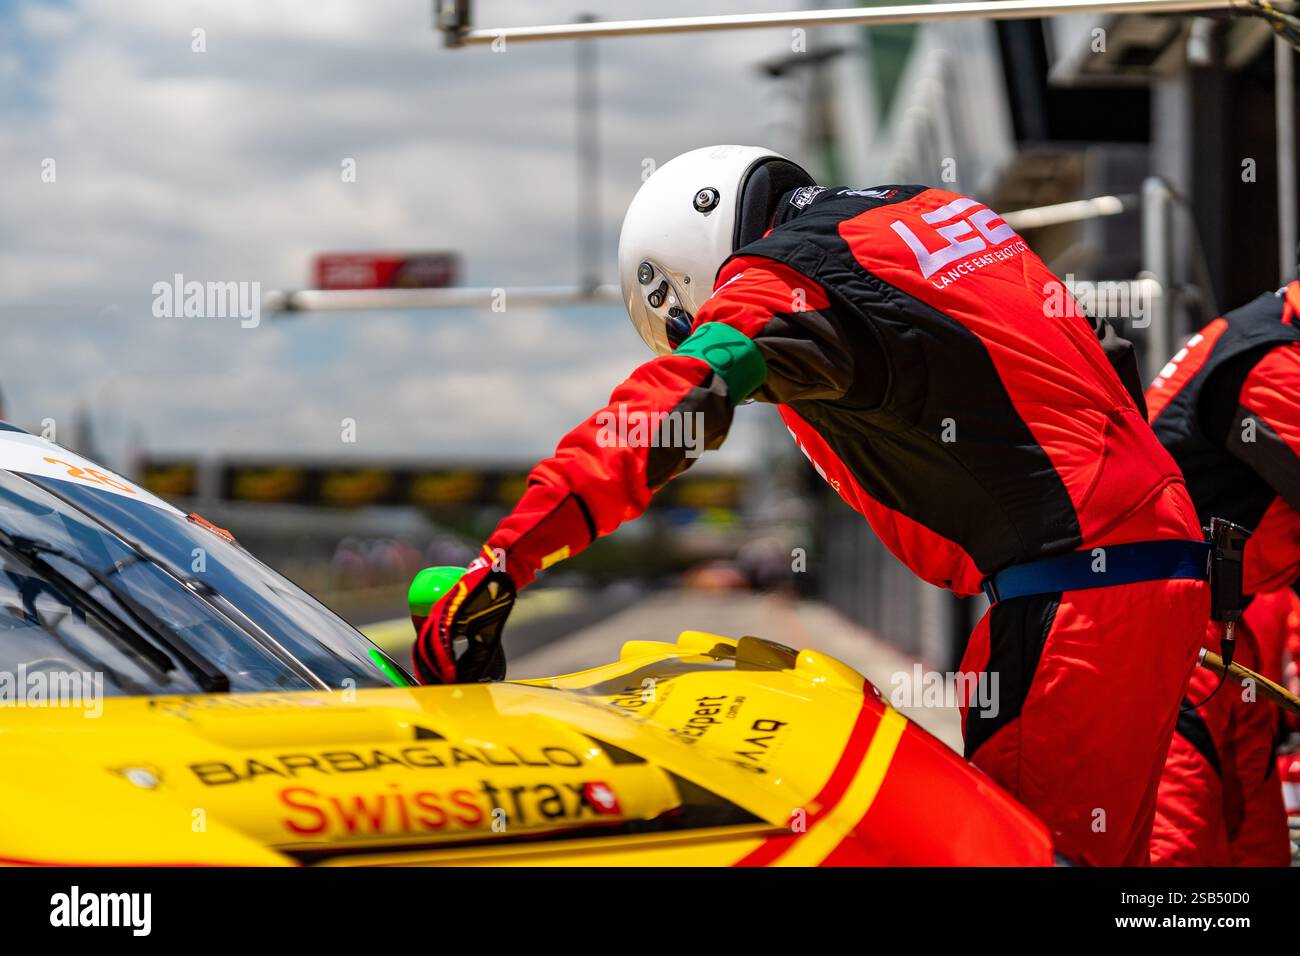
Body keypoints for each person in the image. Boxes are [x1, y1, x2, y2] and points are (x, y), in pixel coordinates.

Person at [414, 145, 1210, 865]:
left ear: (685, 274)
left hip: (1076, 600)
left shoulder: (782, 278)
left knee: (1033, 855)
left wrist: (504, 560)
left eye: (689, 321)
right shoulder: (933, 213)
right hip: (1154, 565)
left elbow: (670, 406)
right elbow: (1102, 355)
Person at [1146, 282, 1300, 866]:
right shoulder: (1270, 360)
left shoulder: (1266, 333)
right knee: (1178, 858)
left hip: (1219, 635)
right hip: (1170, 642)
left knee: (1257, 850)